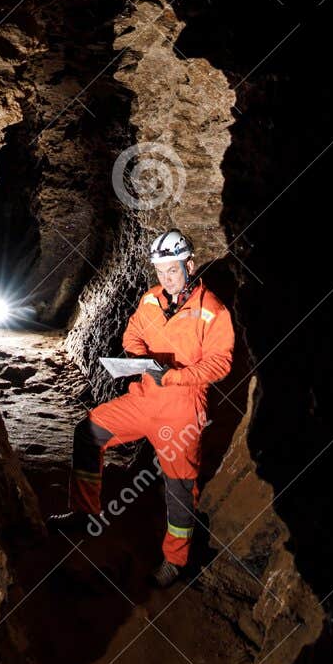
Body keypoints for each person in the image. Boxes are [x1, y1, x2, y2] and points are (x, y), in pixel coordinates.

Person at [50, 230, 235, 587]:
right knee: (88, 432)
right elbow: (131, 335)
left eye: (173, 270)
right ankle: (84, 512)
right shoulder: (151, 300)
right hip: (145, 397)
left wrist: (176, 376)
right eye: (161, 271)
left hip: (182, 409)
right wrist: (140, 360)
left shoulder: (212, 311)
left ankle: (174, 561)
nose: (166, 278)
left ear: (189, 266)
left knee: (180, 486)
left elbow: (220, 364)